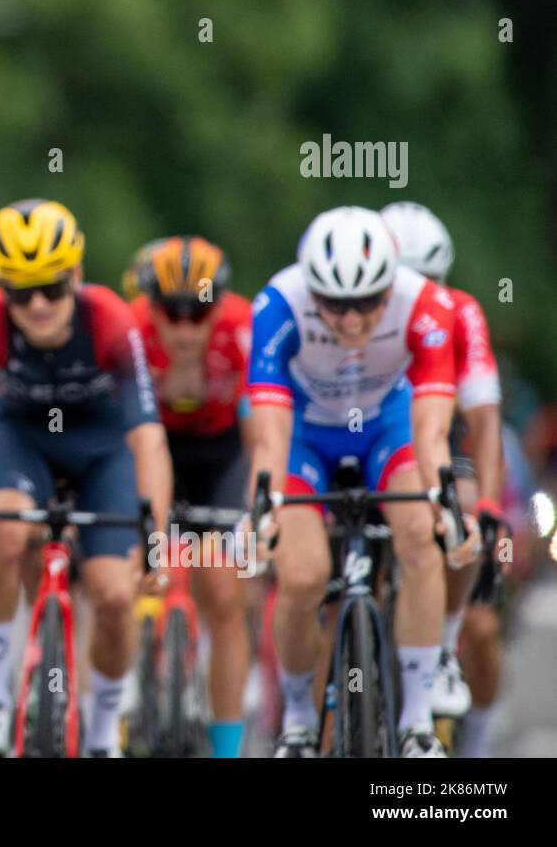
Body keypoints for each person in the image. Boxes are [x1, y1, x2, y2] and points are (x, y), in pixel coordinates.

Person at [0, 199, 172, 757]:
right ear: (1, 290)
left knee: (116, 597)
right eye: (20, 292)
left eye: (51, 287)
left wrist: (156, 536)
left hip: (100, 451)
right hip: (23, 442)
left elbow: (148, 439)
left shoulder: (112, 321)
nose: (38, 305)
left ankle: (102, 728)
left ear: (75, 275)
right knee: (0, 533)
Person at [248, 206, 479, 758]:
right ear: (311, 291)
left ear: (391, 285)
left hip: (387, 429)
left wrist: (445, 498)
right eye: (335, 305)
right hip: (307, 436)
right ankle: (299, 720)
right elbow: (271, 433)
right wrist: (262, 507)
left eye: (368, 304)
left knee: (422, 536)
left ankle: (418, 721)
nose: (351, 322)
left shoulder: (425, 303)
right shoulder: (278, 304)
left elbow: (430, 427)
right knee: (302, 576)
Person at [381, 201, 505, 748]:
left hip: (439, 439)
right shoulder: (359, 311)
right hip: (372, 437)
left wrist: (489, 509)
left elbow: (484, 418)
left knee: (466, 506)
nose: (418, 294)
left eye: (428, 280)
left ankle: (446, 648)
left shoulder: (462, 311)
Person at [127, 235, 253, 758]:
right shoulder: (129, 330)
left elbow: (262, 435)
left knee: (223, 592)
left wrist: (252, 513)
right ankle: (122, 706)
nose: (182, 328)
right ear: (148, 304)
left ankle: (226, 748)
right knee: (131, 569)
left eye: (196, 314)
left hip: (222, 455)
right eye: (169, 312)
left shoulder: (243, 328)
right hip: (151, 445)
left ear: (218, 306)